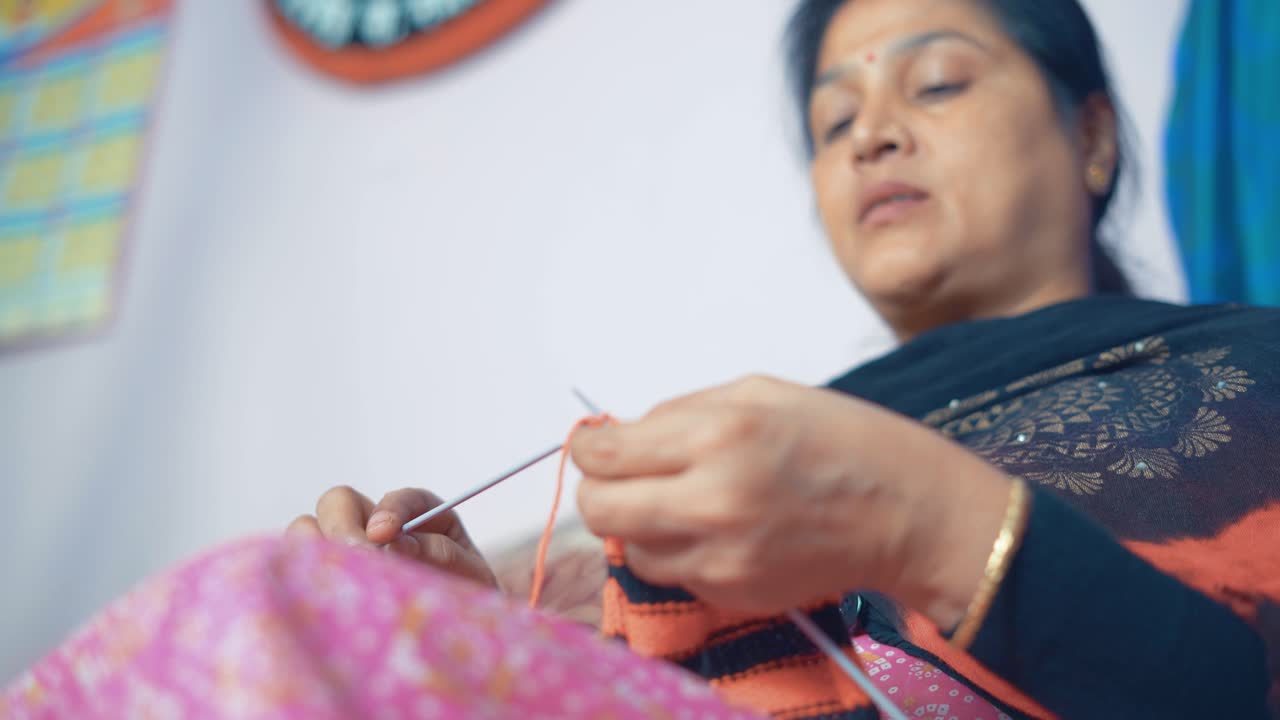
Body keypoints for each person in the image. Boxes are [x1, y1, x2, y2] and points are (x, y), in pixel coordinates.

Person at [6, 1, 1278, 718]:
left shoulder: (1251, 365)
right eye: (833, 118)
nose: (871, 135)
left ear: (1094, 136)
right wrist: (462, 629)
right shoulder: (744, 472)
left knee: (246, 615)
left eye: (935, 85)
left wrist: (930, 524)